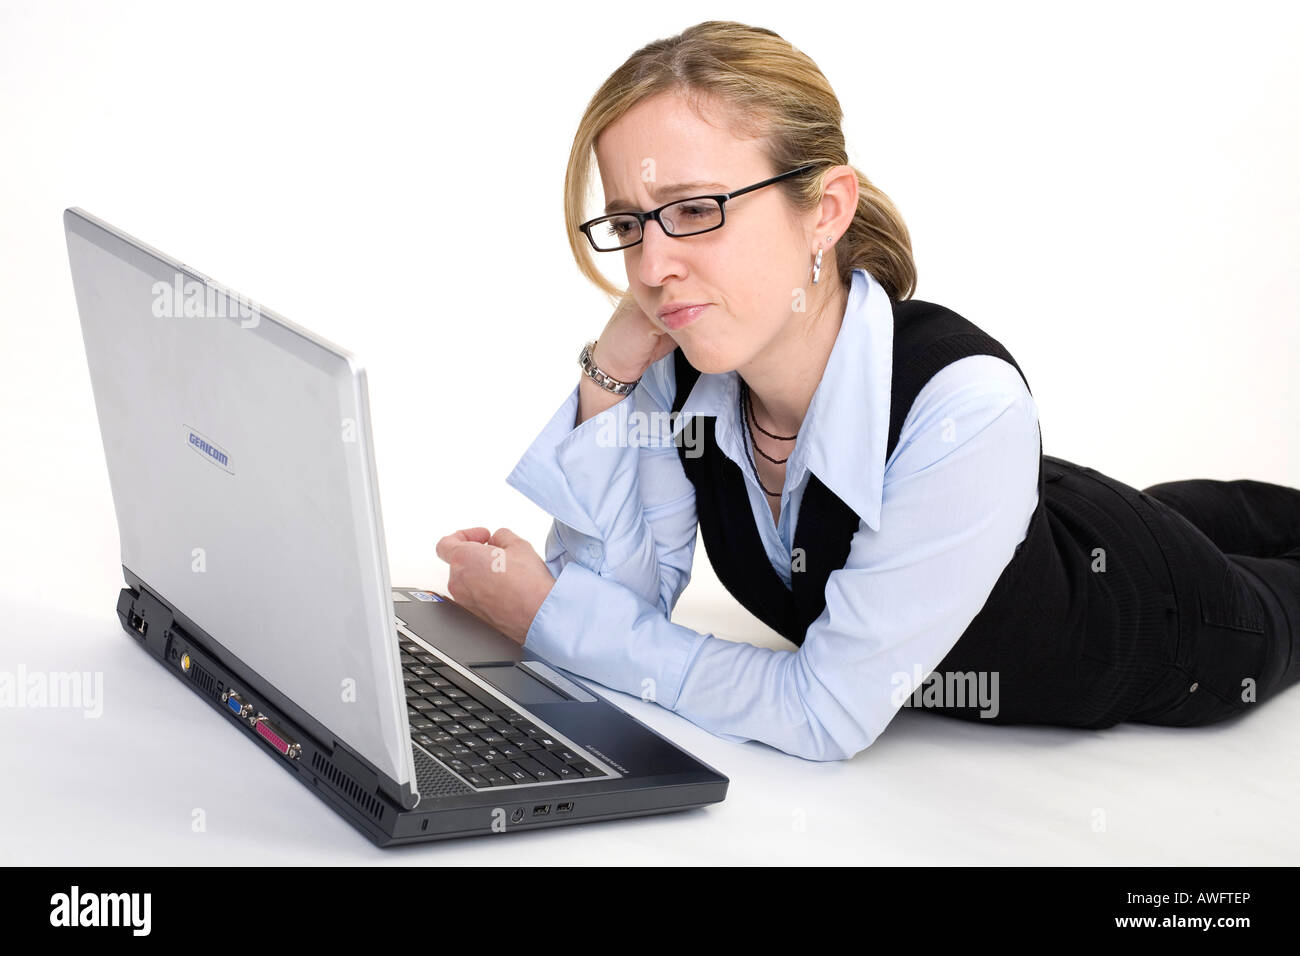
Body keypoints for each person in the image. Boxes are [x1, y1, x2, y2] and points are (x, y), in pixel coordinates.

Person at [435, 20, 1300, 761]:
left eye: (696, 209)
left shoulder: (969, 405)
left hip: (1162, 618)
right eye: (629, 223)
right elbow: (613, 608)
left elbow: (824, 711)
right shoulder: (686, 362)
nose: (652, 268)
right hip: (1024, 513)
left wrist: (549, 616)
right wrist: (609, 376)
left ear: (826, 209)